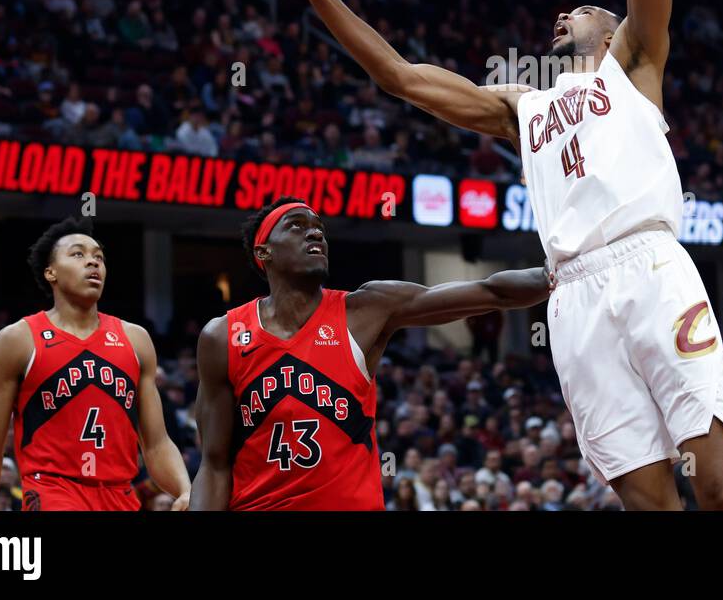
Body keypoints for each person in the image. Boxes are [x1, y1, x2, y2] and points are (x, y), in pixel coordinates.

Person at [255, 0, 723, 512]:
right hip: (574, 294)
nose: (565, 16)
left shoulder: (635, 63)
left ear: (617, 25)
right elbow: (404, 80)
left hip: (652, 269)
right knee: (652, 505)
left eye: (583, 9)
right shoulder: (521, 103)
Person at [189, 197, 552, 510]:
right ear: (263, 252)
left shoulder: (365, 310)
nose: (315, 233)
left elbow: (489, 292)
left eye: (319, 227)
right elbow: (214, 465)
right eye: (296, 226)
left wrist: (559, 272)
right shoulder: (223, 336)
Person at [0, 217, 192, 511]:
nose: (93, 263)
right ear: (51, 272)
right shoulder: (18, 339)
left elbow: (157, 443)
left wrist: (185, 489)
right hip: (52, 493)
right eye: (78, 254)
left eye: (99, 257)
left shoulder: (136, 340)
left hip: (118, 496)